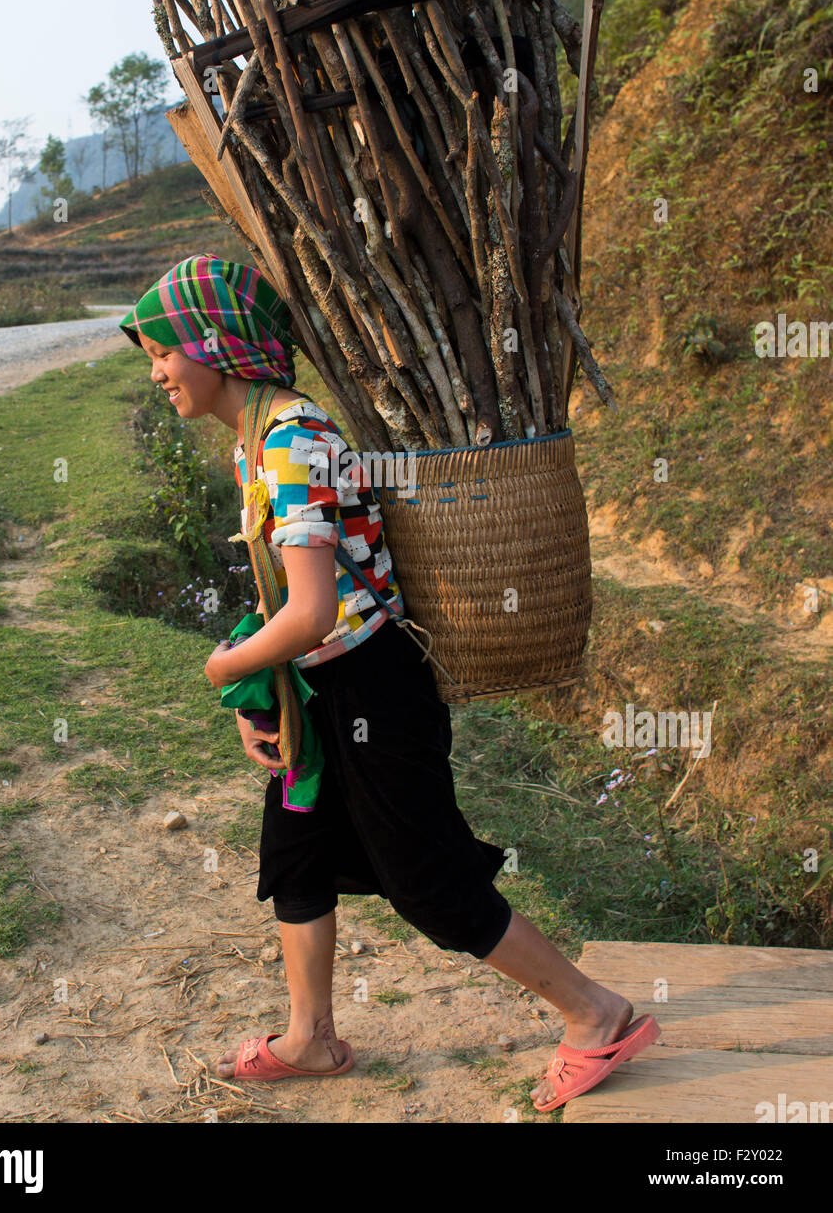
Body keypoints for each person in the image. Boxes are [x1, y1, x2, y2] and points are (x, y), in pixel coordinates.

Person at [119, 255, 659, 1111]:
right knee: (296, 856)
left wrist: (223, 668)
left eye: (162, 351)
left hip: (371, 687)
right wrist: (257, 695)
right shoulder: (254, 441)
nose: (154, 373)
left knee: (426, 879)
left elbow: (311, 613)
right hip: (318, 690)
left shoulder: (294, 443)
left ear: (216, 345)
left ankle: (598, 1015)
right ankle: (311, 1039)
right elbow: (284, 607)